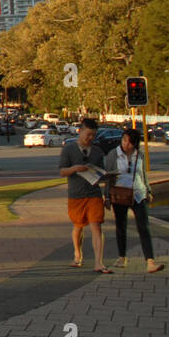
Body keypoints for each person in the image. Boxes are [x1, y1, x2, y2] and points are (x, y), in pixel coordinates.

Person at [105, 127, 163, 273]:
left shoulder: (140, 155)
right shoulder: (113, 155)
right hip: (120, 194)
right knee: (121, 226)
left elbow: (143, 174)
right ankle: (122, 257)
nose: (126, 144)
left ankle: (150, 261)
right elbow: (108, 178)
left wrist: (148, 190)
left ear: (135, 144)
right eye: (124, 140)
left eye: (130, 142)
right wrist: (107, 196)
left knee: (144, 227)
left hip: (138, 193)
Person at [59, 117, 112, 273]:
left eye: (93, 136)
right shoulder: (68, 149)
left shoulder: (97, 151)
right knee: (78, 225)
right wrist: (75, 168)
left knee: (96, 225)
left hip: (94, 193)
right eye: (88, 134)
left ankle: (98, 262)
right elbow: (62, 171)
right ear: (80, 131)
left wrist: (106, 178)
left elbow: (102, 173)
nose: (90, 138)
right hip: (76, 195)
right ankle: (78, 253)